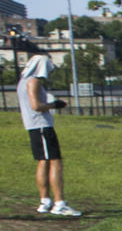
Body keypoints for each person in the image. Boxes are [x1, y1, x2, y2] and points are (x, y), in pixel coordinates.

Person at [18, 55, 80, 218]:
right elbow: (36, 105)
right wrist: (54, 105)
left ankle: (45, 201)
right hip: (42, 126)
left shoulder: (22, 82)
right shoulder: (33, 82)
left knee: (43, 161)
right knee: (55, 161)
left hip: (33, 126)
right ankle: (59, 203)